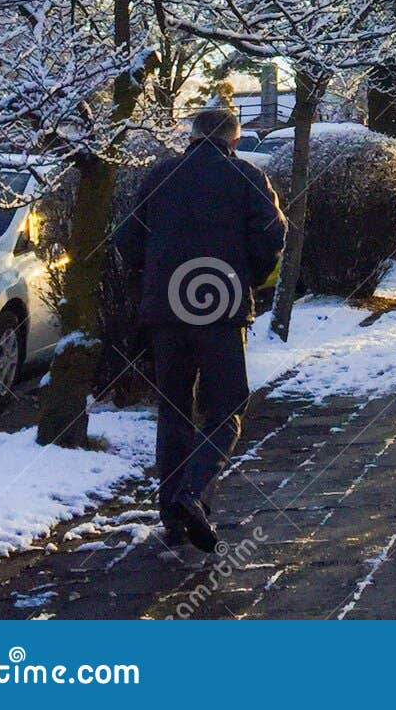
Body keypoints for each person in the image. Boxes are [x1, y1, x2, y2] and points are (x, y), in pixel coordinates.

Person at [117, 106, 286, 554]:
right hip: (222, 307)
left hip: (168, 310)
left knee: (173, 411)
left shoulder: (160, 176)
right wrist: (248, 275)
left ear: (191, 137)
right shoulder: (245, 176)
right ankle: (192, 491)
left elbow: (126, 238)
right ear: (233, 140)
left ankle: (172, 516)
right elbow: (273, 234)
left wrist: (152, 276)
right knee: (227, 406)